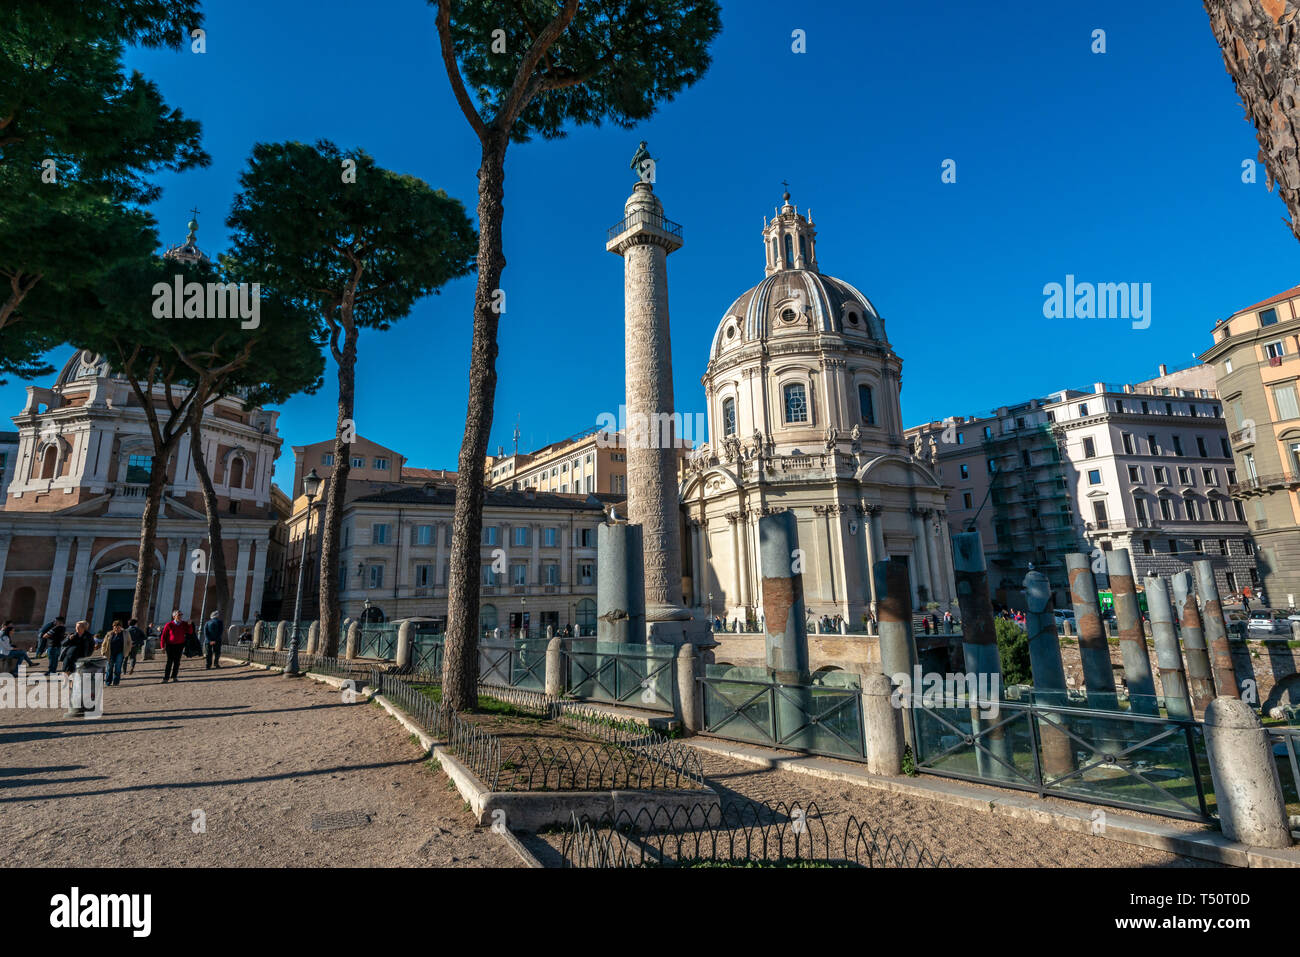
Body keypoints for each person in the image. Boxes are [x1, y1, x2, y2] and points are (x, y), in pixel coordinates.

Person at [160, 610, 188, 682]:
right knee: (169, 661)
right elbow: (163, 636)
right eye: (179, 615)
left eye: (181, 615)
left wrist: (190, 625)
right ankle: (166, 678)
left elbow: (190, 632)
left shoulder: (184, 624)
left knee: (177, 662)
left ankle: (174, 677)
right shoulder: (169, 624)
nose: (180, 616)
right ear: (174, 616)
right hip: (170, 645)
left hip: (180, 645)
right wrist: (162, 646)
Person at [104, 620, 127, 686]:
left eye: (118, 627)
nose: (116, 628)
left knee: (118, 667)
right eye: (115, 626)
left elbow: (129, 642)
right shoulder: (109, 634)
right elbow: (104, 643)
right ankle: (108, 682)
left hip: (120, 653)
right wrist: (103, 651)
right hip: (110, 653)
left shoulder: (125, 634)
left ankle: (116, 682)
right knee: (109, 668)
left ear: (121, 627)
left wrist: (127, 651)